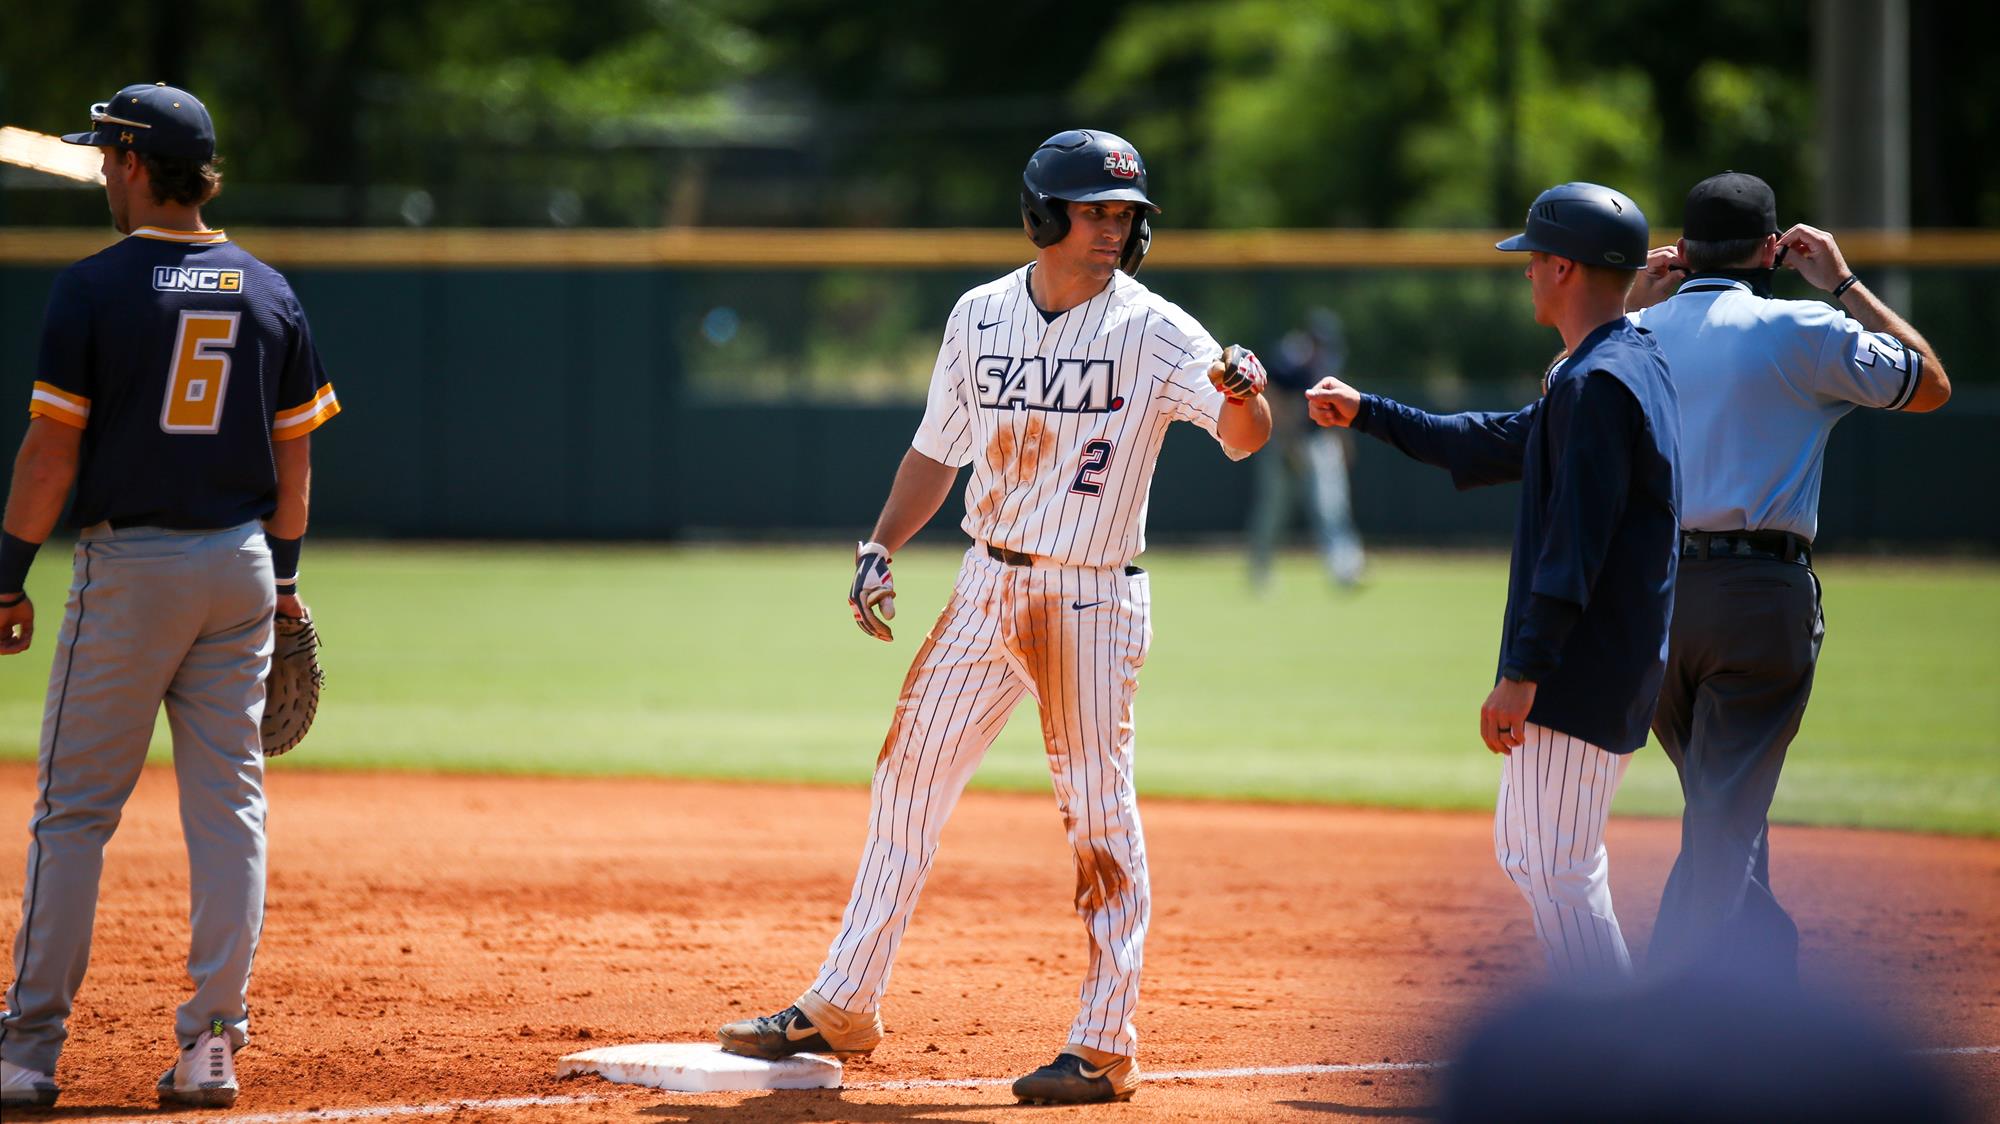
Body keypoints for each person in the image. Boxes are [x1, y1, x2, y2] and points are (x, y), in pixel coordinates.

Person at [714, 129, 1271, 1106]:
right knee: (907, 778)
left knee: (1097, 817)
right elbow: (937, 450)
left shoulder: (1157, 330)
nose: (1112, 230)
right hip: (985, 585)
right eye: (1094, 210)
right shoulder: (976, 316)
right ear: (1043, 213)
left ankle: (1103, 1043)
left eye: (1124, 215)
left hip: (1089, 596)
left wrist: (1242, 392)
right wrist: (879, 546)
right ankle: (844, 1000)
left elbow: (1241, 440)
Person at [0, 82, 339, 1110]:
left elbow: (52, 454)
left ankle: (26, 1050)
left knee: (73, 812)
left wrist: (6, 572)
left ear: (138, 166)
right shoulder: (269, 291)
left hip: (131, 569)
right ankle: (211, 1045)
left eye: (108, 155)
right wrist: (282, 586)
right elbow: (296, 475)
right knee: (228, 807)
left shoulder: (94, 288)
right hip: (239, 565)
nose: (102, 170)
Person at [1306, 183, 1680, 983]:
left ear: (1565, 269)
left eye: (1535, 259)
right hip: (1601, 655)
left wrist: (1521, 673)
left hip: (1584, 664)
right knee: (1530, 853)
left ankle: (1618, 1058)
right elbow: (1494, 440)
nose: (1526, 273)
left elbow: (1570, 550)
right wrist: (1368, 411)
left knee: (1557, 869)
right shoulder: (1619, 362)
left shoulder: (1597, 384)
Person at [1624, 172, 1951, 983]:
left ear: (1683, 248)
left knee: (1723, 808)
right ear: (1774, 249)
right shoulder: (1804, 326)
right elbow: (1929, 384)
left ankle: (1761, 983)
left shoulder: (1635, 336)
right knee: (1725, 823)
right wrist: (1842, 282)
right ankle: (1657, 1029)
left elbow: (1564, 392)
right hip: (1757, 604)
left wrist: (1630, 304)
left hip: (1652, 606)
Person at [1247, 308, 1366, 589]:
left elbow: (1336, 405)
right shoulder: (1290, 358)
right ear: (1308, 339)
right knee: (1273, 512)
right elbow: (1270, 396)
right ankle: (1259, 573)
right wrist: (1289, 444)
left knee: (1331, 507)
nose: (1320, 348)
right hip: (1283, 444)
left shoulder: (1328, 361)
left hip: (1317, 443)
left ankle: (1346, 569)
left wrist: (1343, 442)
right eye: (1317, 342)